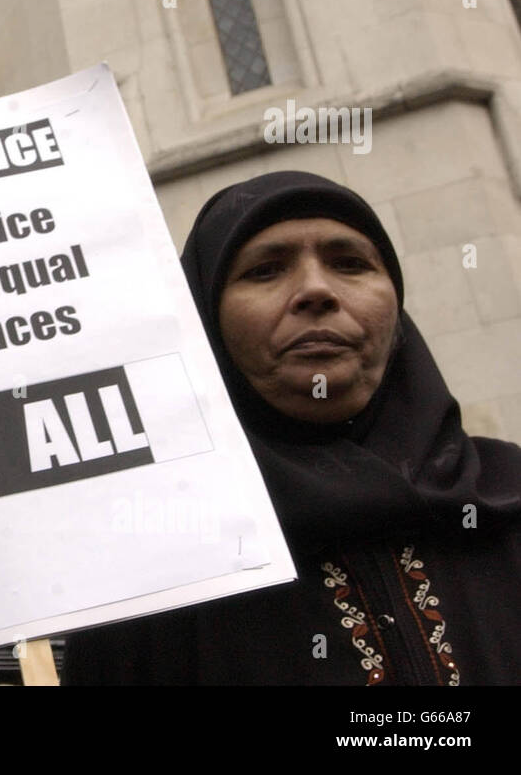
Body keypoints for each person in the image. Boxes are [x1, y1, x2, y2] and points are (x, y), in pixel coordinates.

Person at [63, 171, 521, 685]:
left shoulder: (507, 497)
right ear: (204, 319)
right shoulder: (156, 560)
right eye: (265, 271)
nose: (316, 290)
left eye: (350, 264)